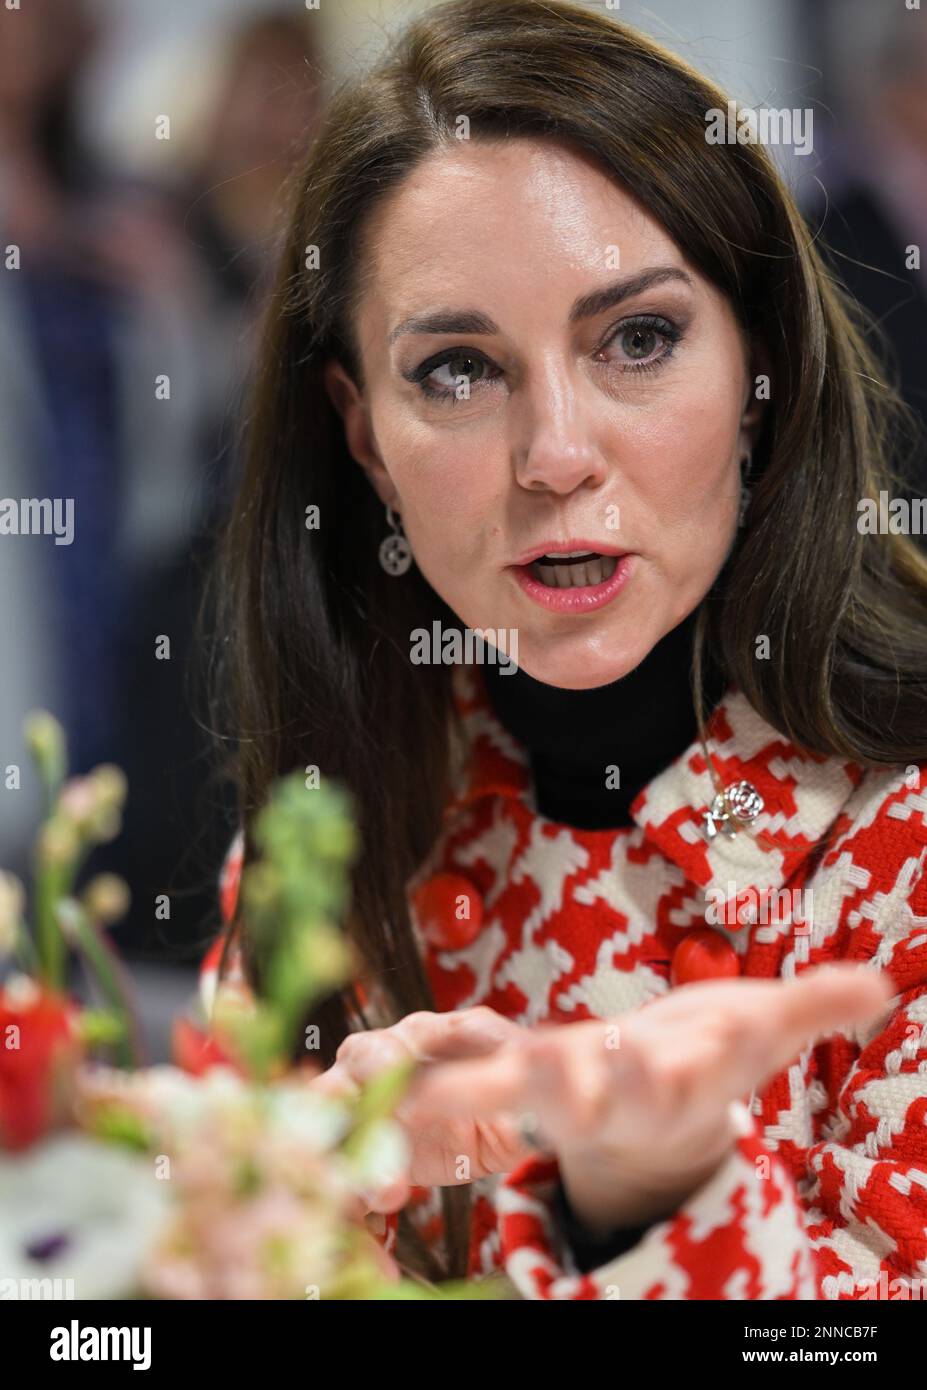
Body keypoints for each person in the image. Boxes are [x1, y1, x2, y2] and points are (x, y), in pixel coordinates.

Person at [199, 0, 927, 1300]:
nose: (555, 457)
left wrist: (651, 1199)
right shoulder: (331, 838)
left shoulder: (903, 832)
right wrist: (317, 1211)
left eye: (636, 340)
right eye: (460, 372)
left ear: (759, 363)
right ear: (363, 437)